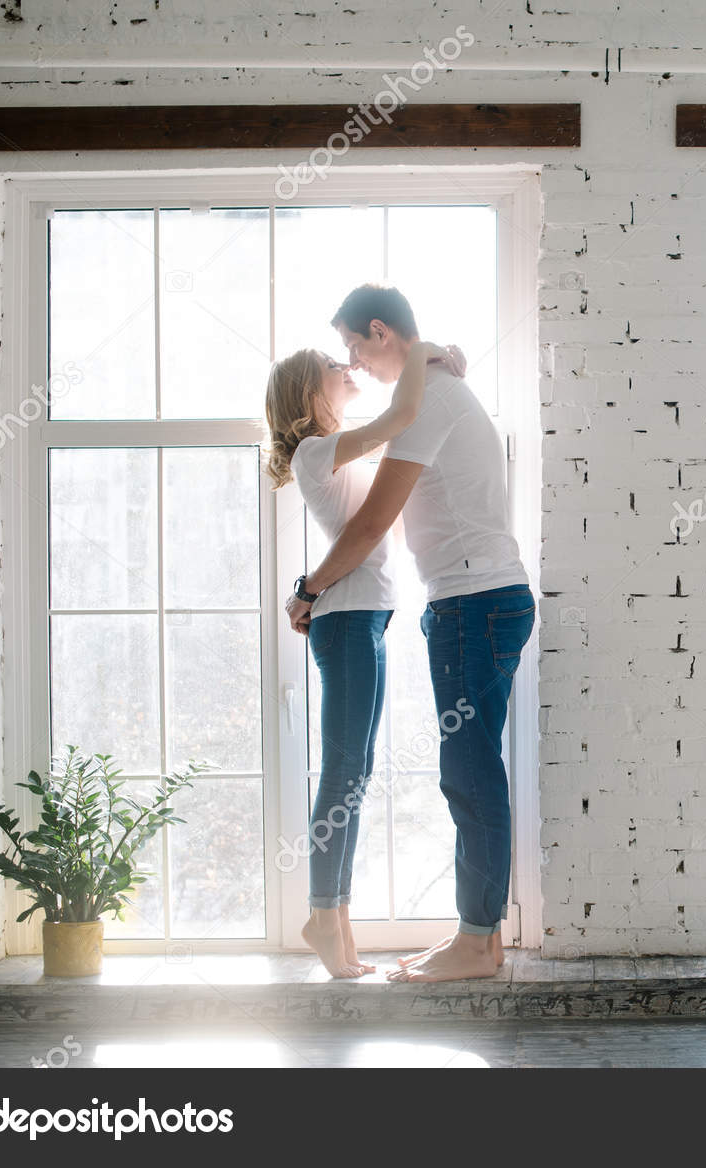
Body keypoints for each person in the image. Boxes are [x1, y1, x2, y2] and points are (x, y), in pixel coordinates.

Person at [286, 283, 535, 983]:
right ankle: (476, 940)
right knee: (466, 767)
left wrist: (305, 590)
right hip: (477, 597)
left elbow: (370, 526)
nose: (352, 365)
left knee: (469, 771)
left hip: (471, 601)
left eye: (353, 349)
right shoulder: (431, 397)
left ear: (378, 334)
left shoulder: (426, 401)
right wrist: (429, 356)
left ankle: (476, 941)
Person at [264, 337, 464, 977]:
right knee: (345, 774)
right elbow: (400, 418)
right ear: (308, 392)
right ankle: (324, 917)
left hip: (363, 617)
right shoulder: (317, 451)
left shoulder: (338, 454)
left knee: (353, 773)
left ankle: (335, 922)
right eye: (333, 365)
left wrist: (438, 373)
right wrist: (425, 356)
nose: (347, 367)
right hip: (348, 621)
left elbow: (406, 441)